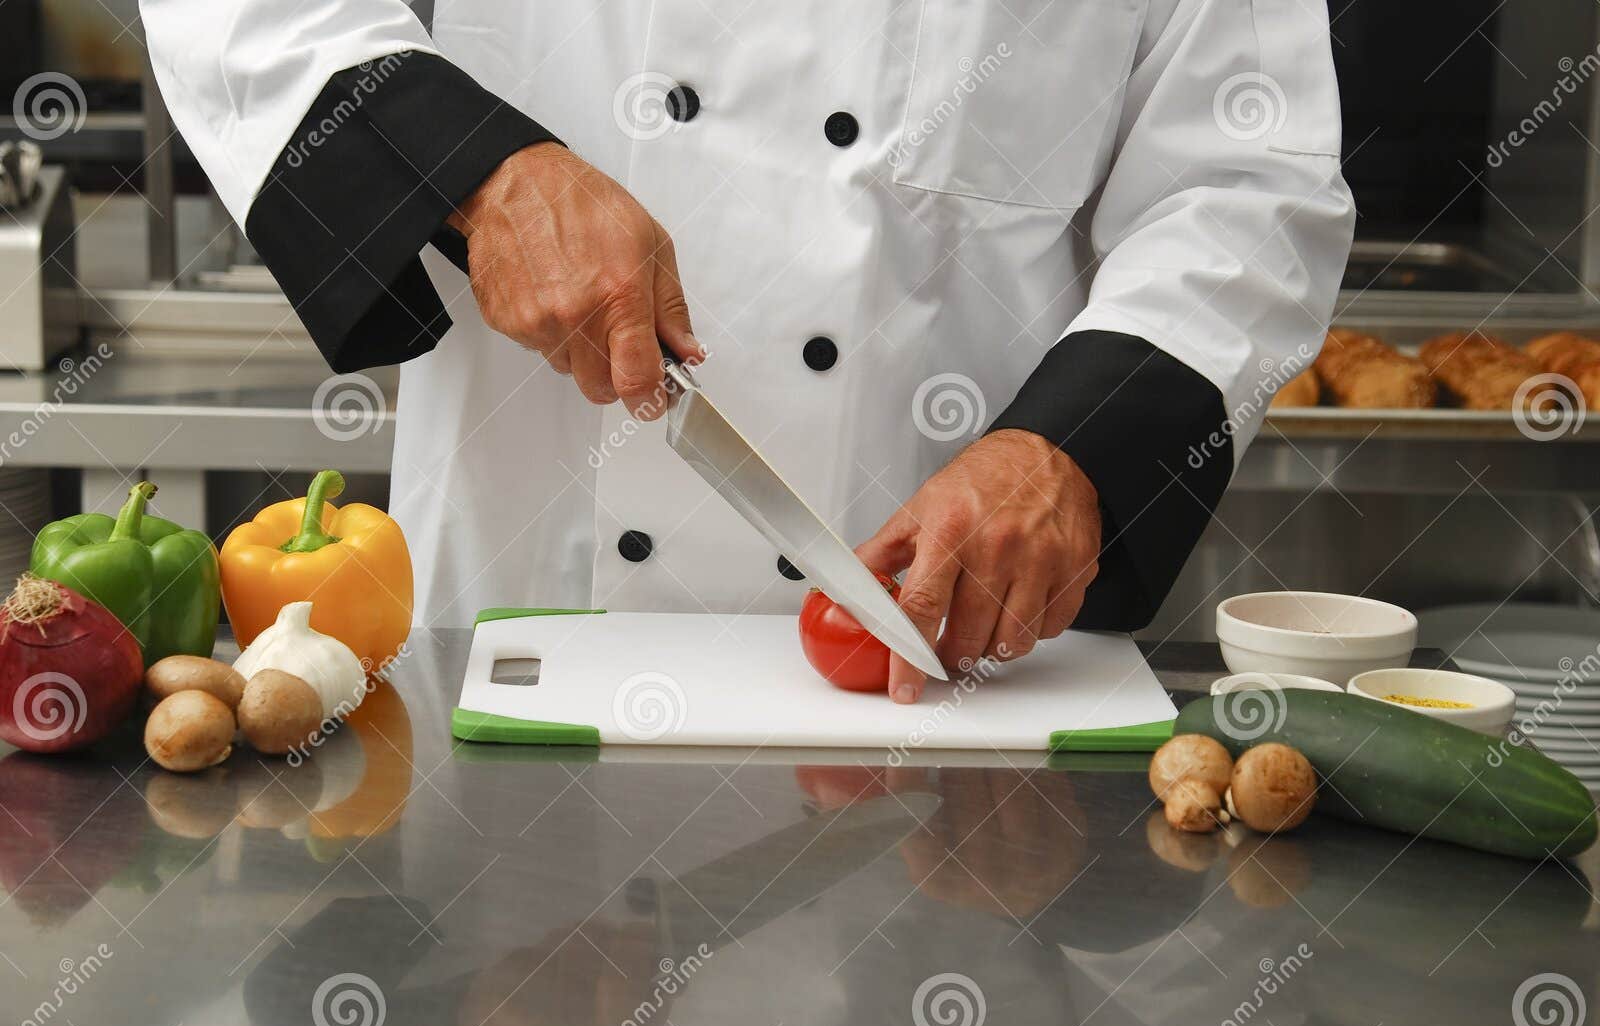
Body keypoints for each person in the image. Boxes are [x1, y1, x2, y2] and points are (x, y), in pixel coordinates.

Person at [141, 0, 1353, 702]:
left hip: (950, 669)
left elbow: (1245, 186)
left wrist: (1069, 452)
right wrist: (473, 172)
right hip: (518, 643)